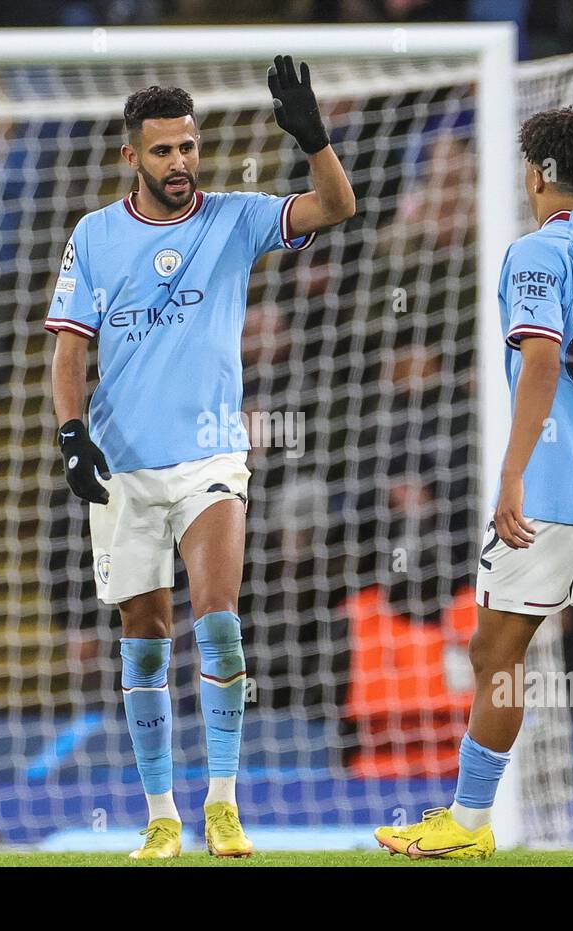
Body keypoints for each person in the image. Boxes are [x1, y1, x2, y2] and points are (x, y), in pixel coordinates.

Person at [45, 60, 355, 859]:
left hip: (211, 455)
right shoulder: (95, 236)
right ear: (131, 159)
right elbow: (70, 349)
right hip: (123, 464)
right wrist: (72, 436)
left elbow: (337, 205)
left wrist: (312, 138)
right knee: (144, 640)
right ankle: (160, 816)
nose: (180, 163)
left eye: (188, 147)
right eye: (163, 152)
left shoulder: (235, 218)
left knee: (219, 622)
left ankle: (223, 804)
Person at [376, 107, 573, 863]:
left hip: (553, 486)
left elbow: (543, 358)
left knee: (495, 651)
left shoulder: (534, 252)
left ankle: (469, 824)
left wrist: (511, 473)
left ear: (538, 173)